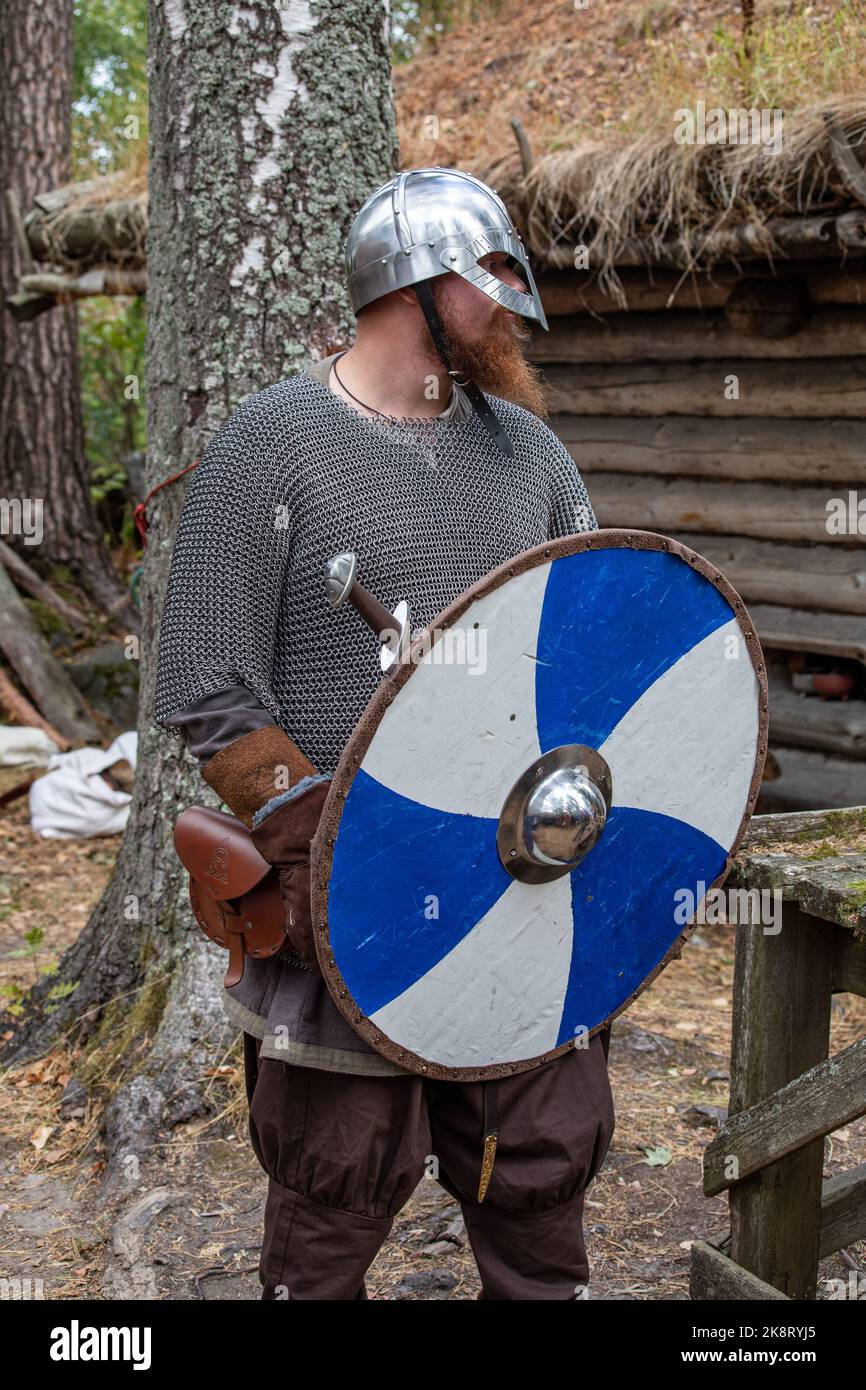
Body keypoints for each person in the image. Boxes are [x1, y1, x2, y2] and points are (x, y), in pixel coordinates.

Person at [154, 167, 615, 1300]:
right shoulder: (272, 441)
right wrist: (326, 840)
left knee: (538, 1171)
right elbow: (209, 682)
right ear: (414, 284)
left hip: (519, 888)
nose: (509, 300)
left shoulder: (529, 456)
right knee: (333, 1187)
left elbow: (596, 642)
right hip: (350, 890)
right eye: (489, 274)